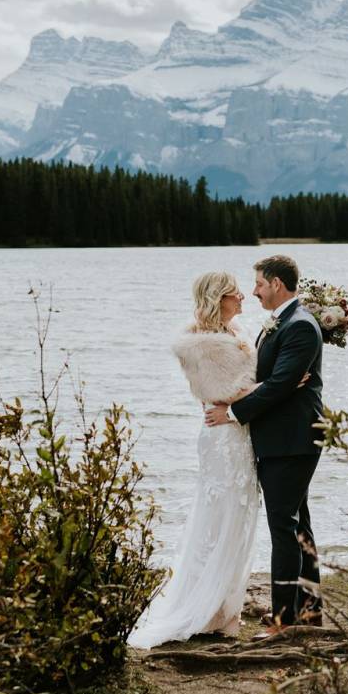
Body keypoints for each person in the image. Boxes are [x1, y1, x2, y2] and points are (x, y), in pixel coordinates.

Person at [125, 272, 266, 648]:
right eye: (235, 293)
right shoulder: (203, 344)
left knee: (238, 517)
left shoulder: (233, 331)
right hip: (224, 439)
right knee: (223, 517)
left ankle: (225, 607)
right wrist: (279, 384)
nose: (243, 298)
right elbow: (230, 391)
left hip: (236, 433)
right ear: (218, 298)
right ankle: (211, 610)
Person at [204, 254, 323, 635]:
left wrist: (233, 412)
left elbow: (279, 385)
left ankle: (283, 623)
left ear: (276, 283)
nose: (253, 291)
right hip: (284, 439)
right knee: (298, 525)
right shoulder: (282, 323)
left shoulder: (300, 326)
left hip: (291, 440)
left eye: (258, 283)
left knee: (283, 529)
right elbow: (272, 379)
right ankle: (308, 613)